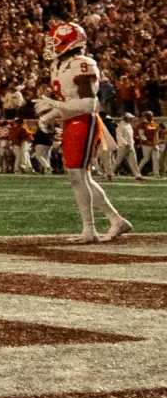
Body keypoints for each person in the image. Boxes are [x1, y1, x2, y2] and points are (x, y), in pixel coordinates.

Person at [36, 21, 131, 244]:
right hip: (72, 122)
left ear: (70, 42)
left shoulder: (83, 64)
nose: (51, 46)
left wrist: (54, 107)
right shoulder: (59, 65)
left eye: (56, 42)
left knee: (78, 176)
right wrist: (49, 116)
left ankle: (90, 229)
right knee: (80, 177)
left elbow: (89, 104)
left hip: (85, 122)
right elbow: (69, 102)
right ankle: (116, 220)